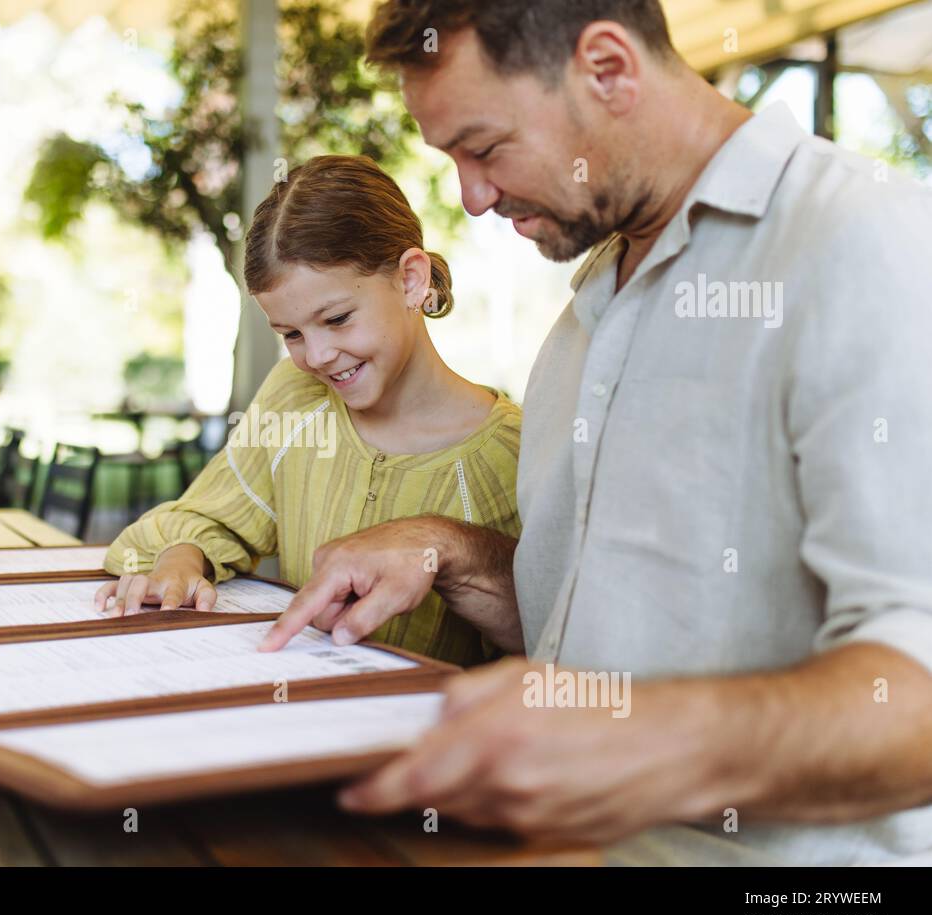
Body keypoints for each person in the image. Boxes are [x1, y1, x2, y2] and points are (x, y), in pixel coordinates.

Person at [263, 0, 932, 865]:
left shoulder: (866, 248)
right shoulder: (588, 313)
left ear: (609, 68)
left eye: (486, 146)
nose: (471, 198)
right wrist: (449, 552)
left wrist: (637, 738)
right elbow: (597, 631)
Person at [95, 155, 522, 666]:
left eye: (338, 318)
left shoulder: (516, 454)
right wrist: (184, 556)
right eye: (291, 334)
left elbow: (557, 638)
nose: (316, 357)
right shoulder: (296, 396)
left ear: (411, 280)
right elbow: (211, 516)